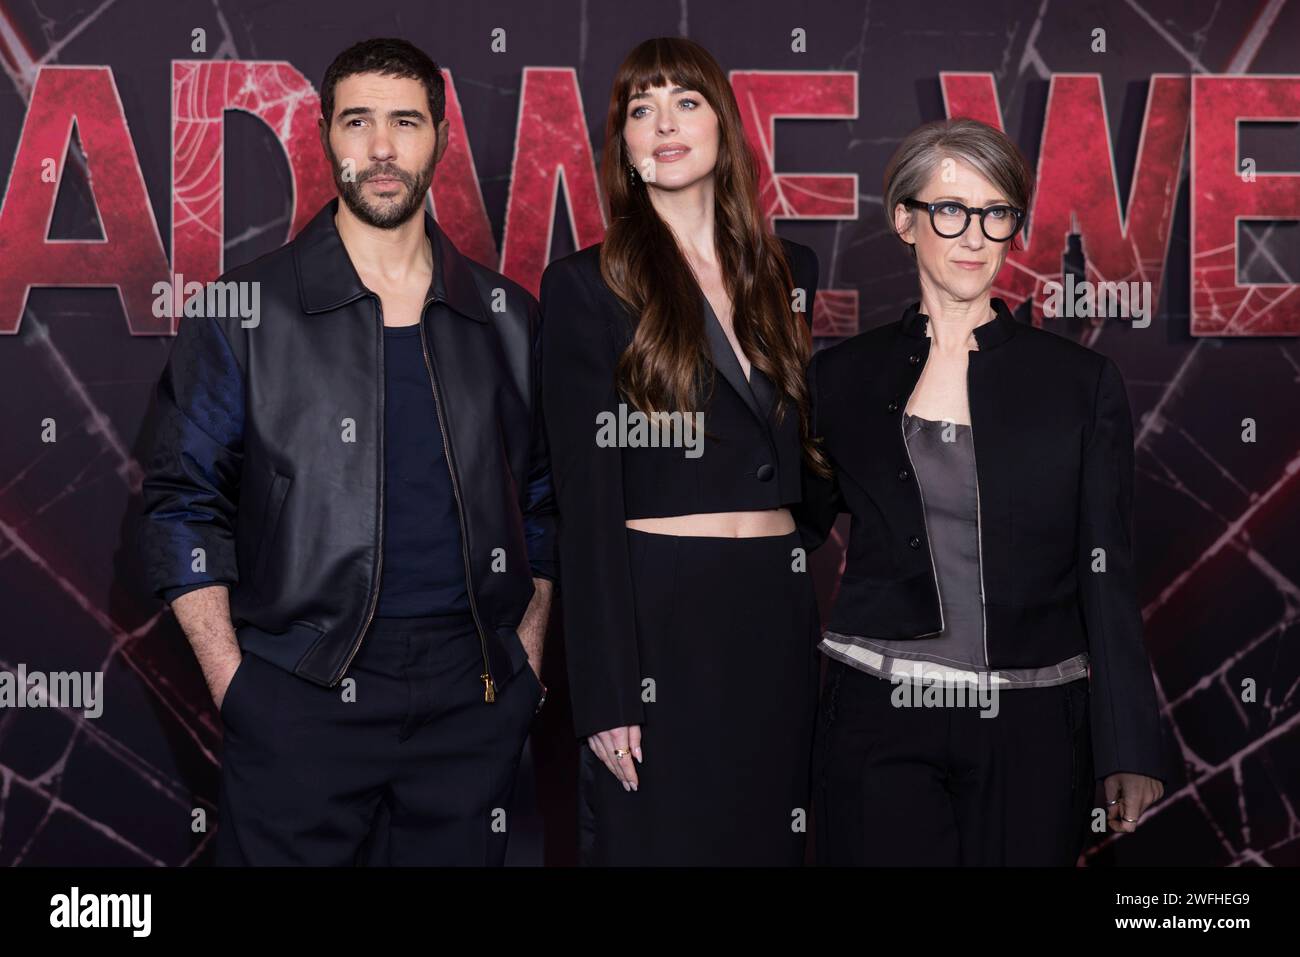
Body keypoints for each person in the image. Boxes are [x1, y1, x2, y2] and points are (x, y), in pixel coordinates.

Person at [137, 37, 554, 866]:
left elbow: (547, 501)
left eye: (406, 122)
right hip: (301, 686)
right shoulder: (246, 309)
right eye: (358, 122)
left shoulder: (506, 315)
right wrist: (239, 684)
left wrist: (526, 662)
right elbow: (180, 500)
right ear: (325, 135)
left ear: (440, 136)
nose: (382, 148)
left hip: (471, 697)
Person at [803, 117, 1169, 866]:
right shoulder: (841, 378)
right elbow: (785, 531)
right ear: (904, 220)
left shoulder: (1079, 385)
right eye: (950, 210)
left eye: (996, 213)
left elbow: (1108, 573)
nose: (974, 235)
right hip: (877, 714)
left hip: (1032, 719)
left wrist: (1128, 741)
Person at [540, 37, 825, 865]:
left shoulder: (789, 271)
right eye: (641, 108)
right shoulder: (586, 285)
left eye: (685, 101)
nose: (664, 123)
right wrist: (606, 690)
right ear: (623, 146)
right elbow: (585, 502)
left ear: (722, 127)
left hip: (774, 611)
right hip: (660, 618)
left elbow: (805, 450)